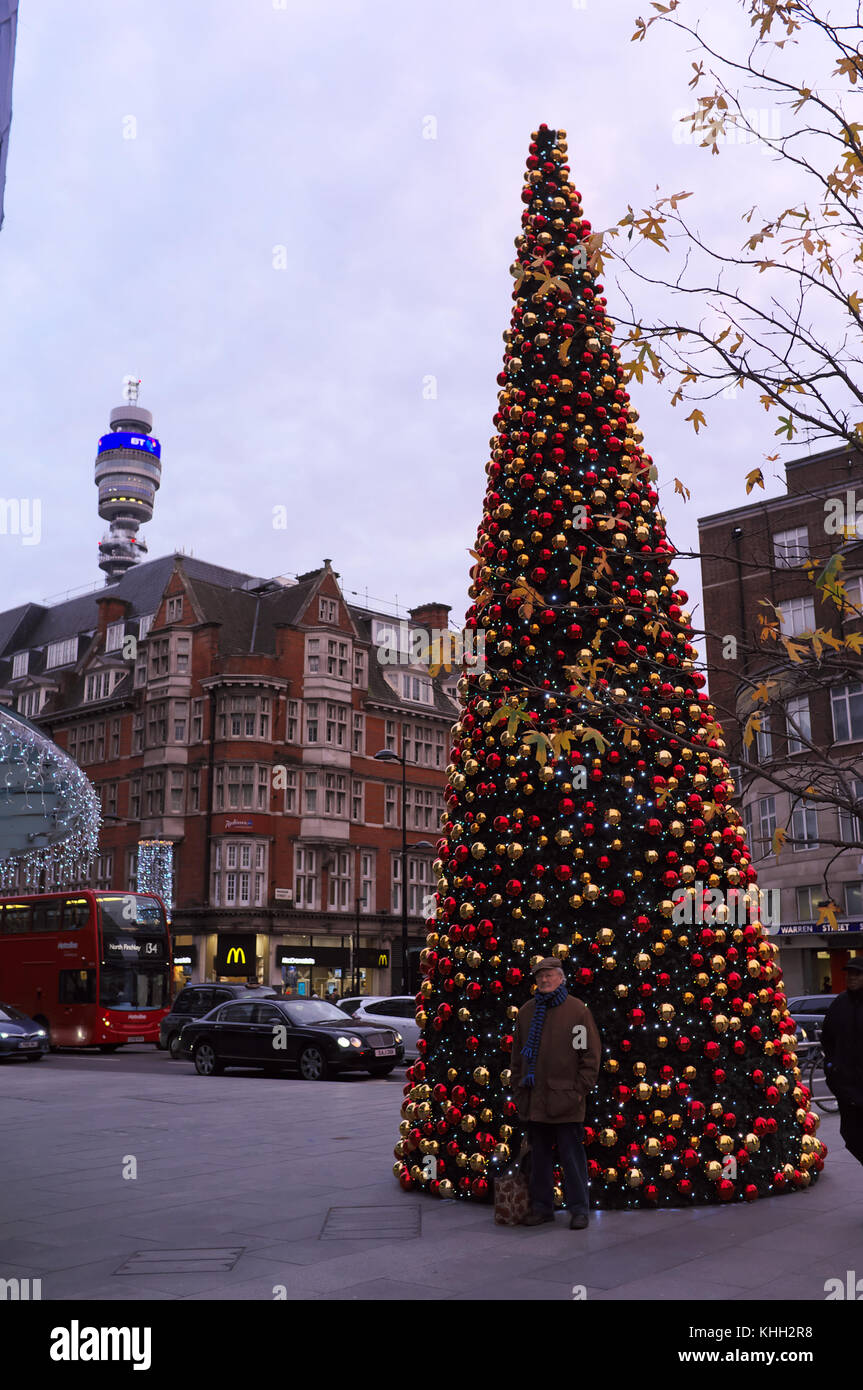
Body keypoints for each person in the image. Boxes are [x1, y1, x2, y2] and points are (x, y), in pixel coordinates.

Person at [510, 957, 601, 1229]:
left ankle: (579, 1210)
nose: (545, 980)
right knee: (539, 1160)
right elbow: (517, 1058)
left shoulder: (576, 1012)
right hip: (534, 1099)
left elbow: (589, 1056)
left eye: (550, 975)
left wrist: (577, 1092)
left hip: (566, 1101)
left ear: (561, 978)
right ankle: (542, 1208)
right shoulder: (527, 1013)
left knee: (572, 1159)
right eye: (540, 977)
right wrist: (518, 1089)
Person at [821, 958, 863, 1166]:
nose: (852, 978)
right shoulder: (840, 1003)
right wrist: (832, 1067)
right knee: (850, 1134)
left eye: (857, 974)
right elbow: (827, 1039)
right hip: (846, 1084)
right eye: (850, 974)